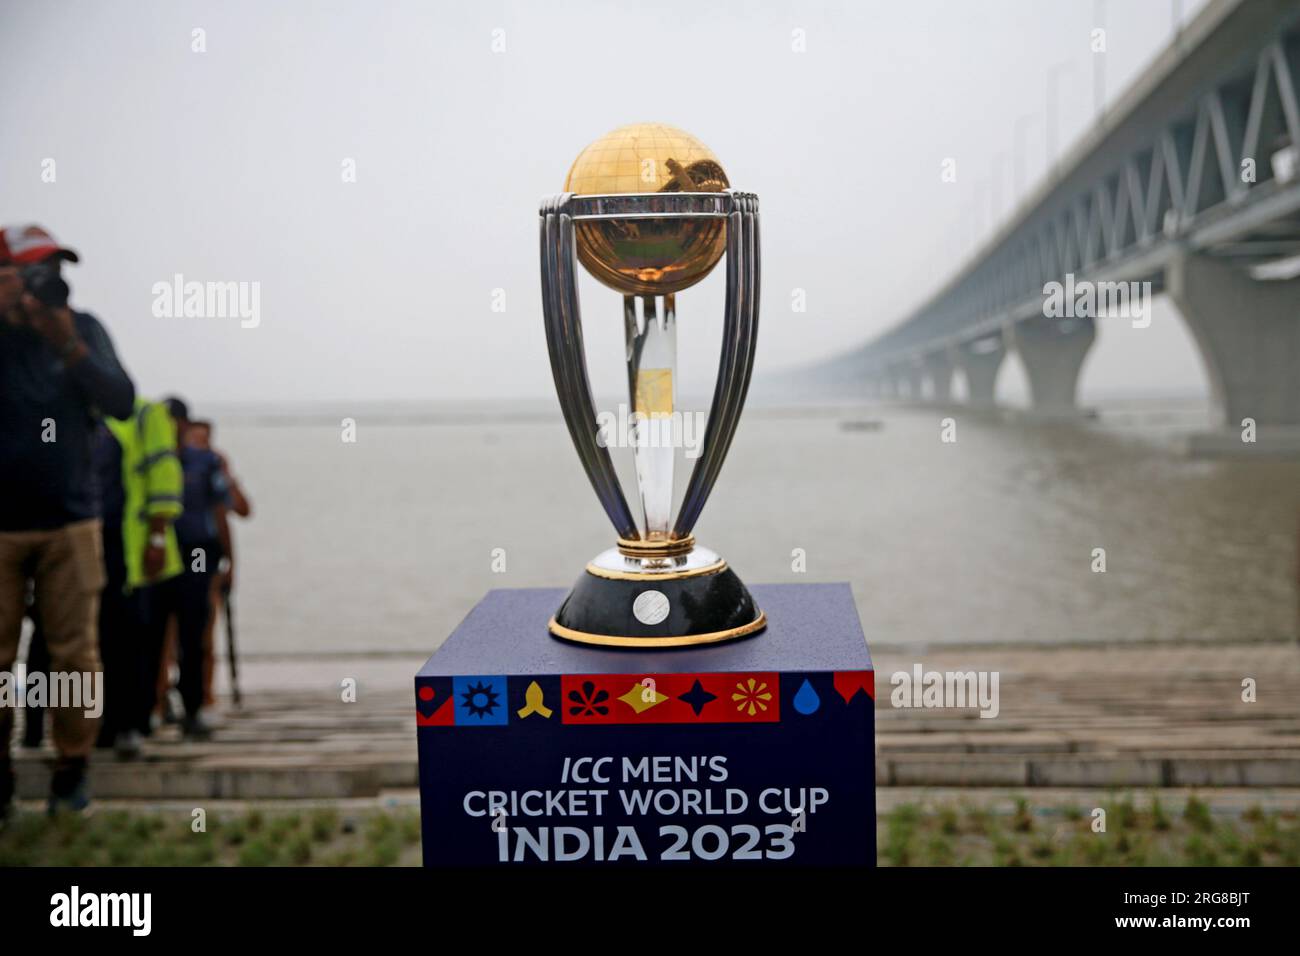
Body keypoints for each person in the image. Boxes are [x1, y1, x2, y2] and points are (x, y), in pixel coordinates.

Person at [0, 224, 135, 817]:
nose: (44, 284)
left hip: (72, 521)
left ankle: (71, 770)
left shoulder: (80, 328)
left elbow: (122, 401)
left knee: (76, 655)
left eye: (53, 271)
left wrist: (67, 345)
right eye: (29, 272)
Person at [95, 396, 184, 758]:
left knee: (131, 639)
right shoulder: (69, 409)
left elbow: (163, 476)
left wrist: (158, 536)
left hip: (127, 548)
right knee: (75, 642)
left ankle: (131, 722)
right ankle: (73, 724)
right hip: (77, 543)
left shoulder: (145, 413)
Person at [154, 397, 232, 739]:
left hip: (197, 553)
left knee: (196, 634)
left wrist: (229, 561)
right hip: (155, 555)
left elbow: (224, 511)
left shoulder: (207, 463)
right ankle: (153, 707)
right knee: (154, 636)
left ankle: (196, 706)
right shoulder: (150, 459)